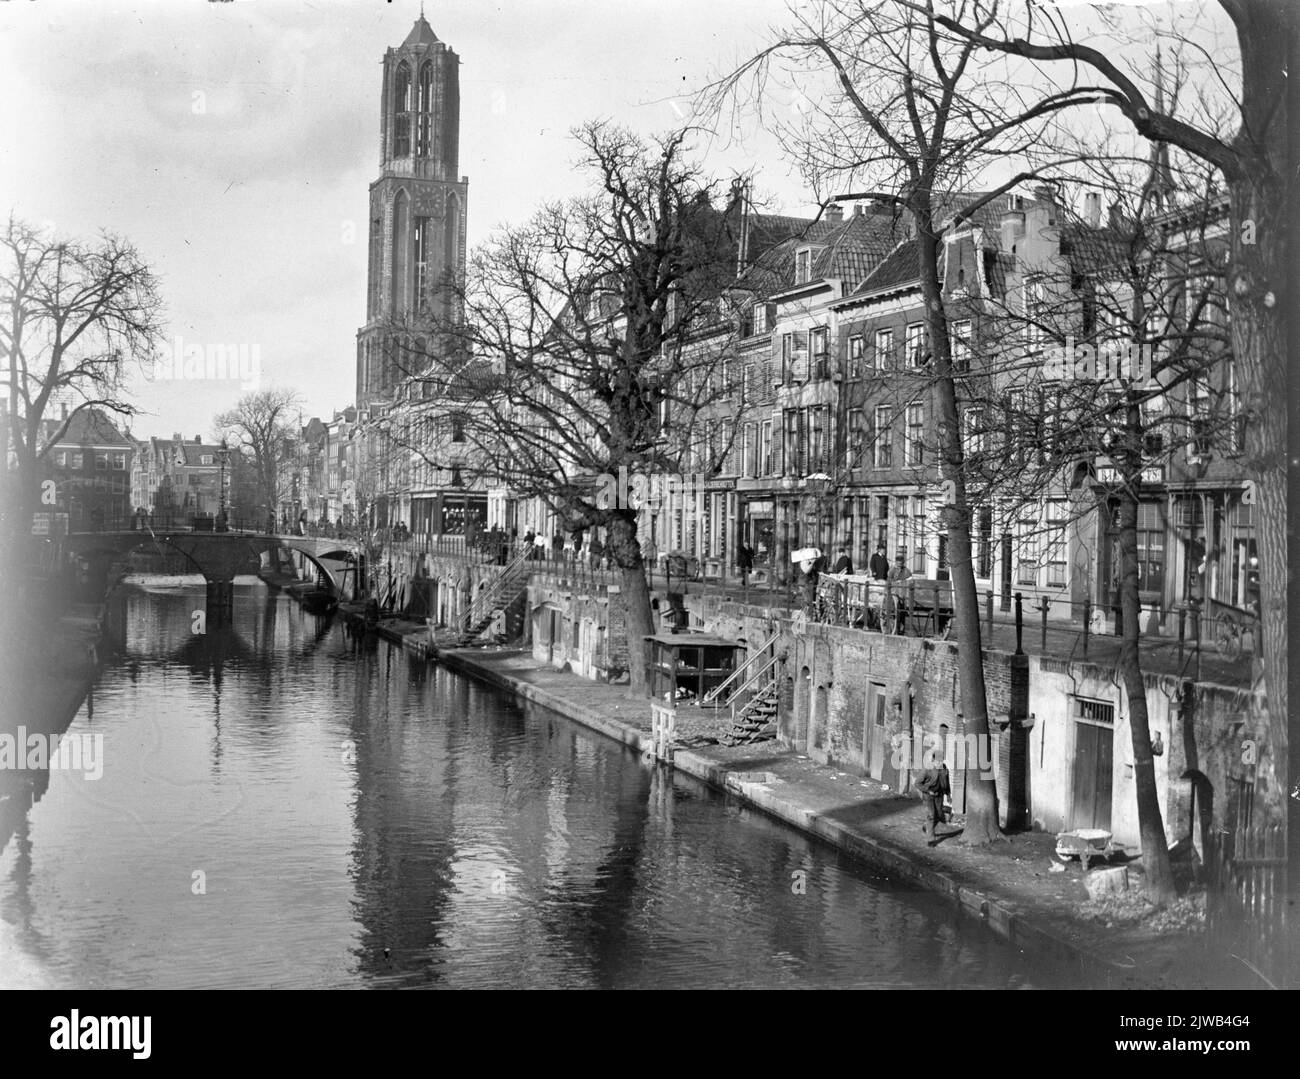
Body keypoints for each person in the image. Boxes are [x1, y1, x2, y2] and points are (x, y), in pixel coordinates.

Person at [916, 746, 951, 841]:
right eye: (937, 761)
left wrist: (948, 795)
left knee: (939, 815)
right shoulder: (927, 770)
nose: (939, 763)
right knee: (931, 815)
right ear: (933, 760)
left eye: (941, 760)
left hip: (939, 795)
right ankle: (931, 839)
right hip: (928, 796)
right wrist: (927, 790)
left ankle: (926, 827)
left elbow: (946, 782)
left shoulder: (944, 769)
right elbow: (917, 783)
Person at [886, 553, 912, 634]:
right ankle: (897, 628)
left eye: (901, 563)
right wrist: (896, 582)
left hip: (904, 593)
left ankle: (902, 628)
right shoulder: (892, 570)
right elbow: (889, 581)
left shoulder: (906, 571)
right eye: (898, 563)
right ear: (896, 562)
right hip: (895, 592)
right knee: (898, 608)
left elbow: (910, 579)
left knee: (903, 612)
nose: (900, 564)